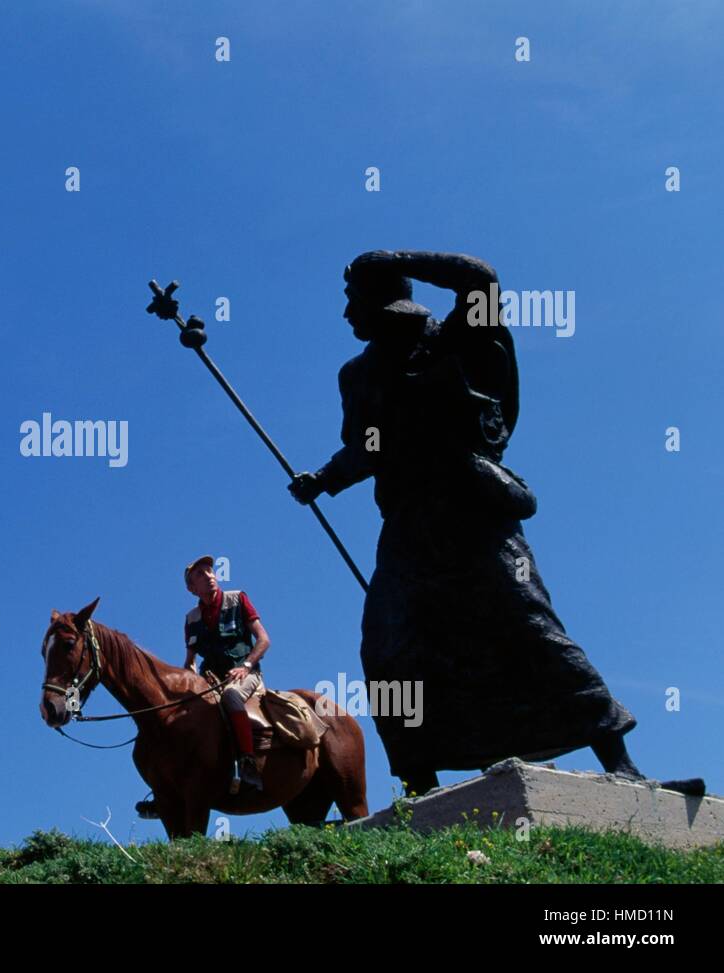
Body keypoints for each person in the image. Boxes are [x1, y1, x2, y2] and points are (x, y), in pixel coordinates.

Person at [288, 250, 680, 796]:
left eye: (355, 299)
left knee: (527, 624)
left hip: (472, 512)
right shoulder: (357, 374)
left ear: (385, 298)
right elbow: (364, 446)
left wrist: (395, 258)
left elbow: (481, 279)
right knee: (388, 647)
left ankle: (620, 759)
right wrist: (325, 479)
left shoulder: (452, 337)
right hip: (407, 528)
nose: (346, 313)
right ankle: (417, 785)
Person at [183, 556, 271, 791]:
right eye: (200, 574)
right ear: (192, 589)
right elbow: (189, 662)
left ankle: (247, 764)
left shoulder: (237, 599)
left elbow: (263, 640)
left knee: (231, 695)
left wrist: (247, 666)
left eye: (210, 571)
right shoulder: (191, 619)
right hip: (209, 680)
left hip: (244, 673)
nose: (209, 576)